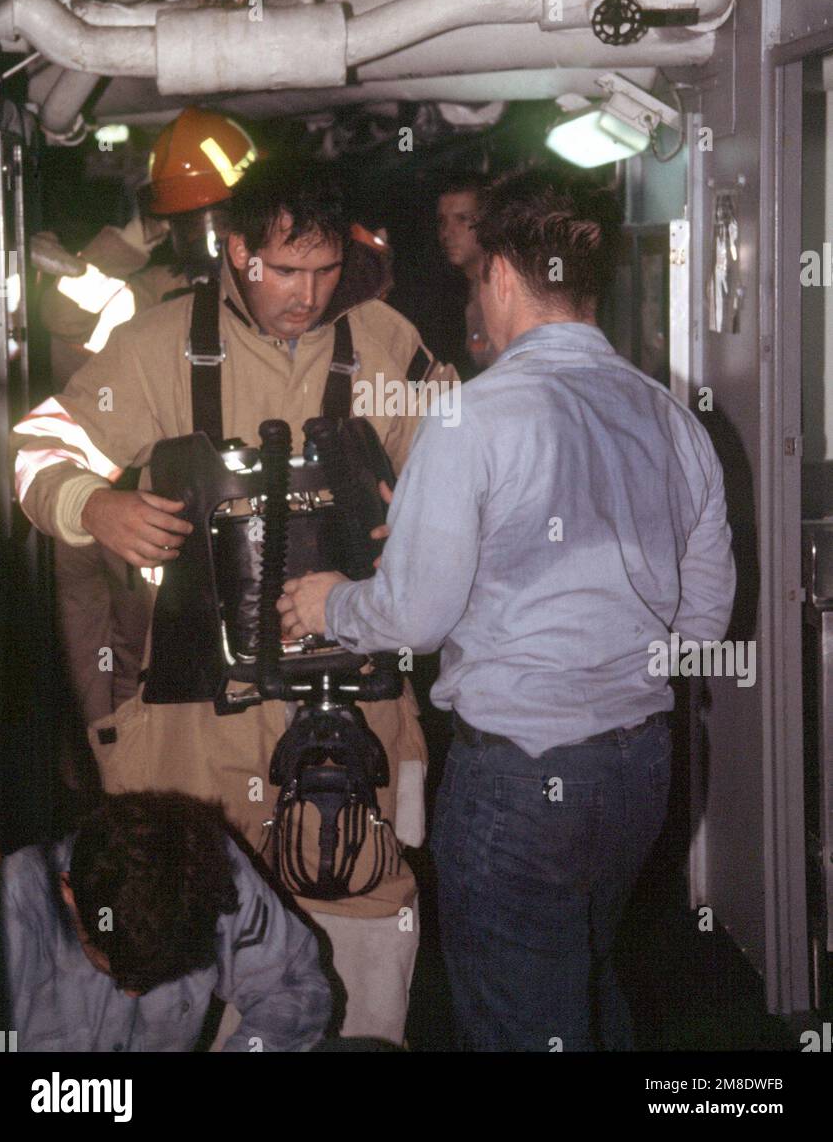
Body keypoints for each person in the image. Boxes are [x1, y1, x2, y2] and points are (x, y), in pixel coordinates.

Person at [278, 168, 737, 1052]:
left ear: (496, 275)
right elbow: (704, 625)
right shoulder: (675, 422)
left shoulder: (470, 421)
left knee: (525, 1014)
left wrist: (332, 602)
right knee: (590, 976)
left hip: (521, 788)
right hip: (640, 772)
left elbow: (413, 618)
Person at [11, 156, 452, 1045]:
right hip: (193, 731)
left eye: (326, 270)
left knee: (363, 944)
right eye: (284, 270)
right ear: (235, 249)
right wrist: (92, 503)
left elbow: (466, 476)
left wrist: (423, 516)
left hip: (354, 723)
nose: (306, 293)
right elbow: (31, 450)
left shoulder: (388, 341)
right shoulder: (155, 344)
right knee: (180, 938)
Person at [32, 107, 258, 729]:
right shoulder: (156, 292)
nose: (209, 238)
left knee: (164, 669)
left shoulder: (297, 297)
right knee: (115, 662)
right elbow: (65, 316)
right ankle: (114, 777)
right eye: (192, 221)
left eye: (220, 218)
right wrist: (133, 239)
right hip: (135, 509)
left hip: (217, 526)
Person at [0, 791, 331, 1052]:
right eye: (113, 968)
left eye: (155, 974)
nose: (132, 993)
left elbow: (290, 989)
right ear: (68, 892)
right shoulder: (8, 906)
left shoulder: (207, 873)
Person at [436, 173, 496, 374]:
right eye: (442, 221)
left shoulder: (503, 292)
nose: (447, 233)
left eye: (462, 219)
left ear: (488, 223)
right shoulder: (451, 295)